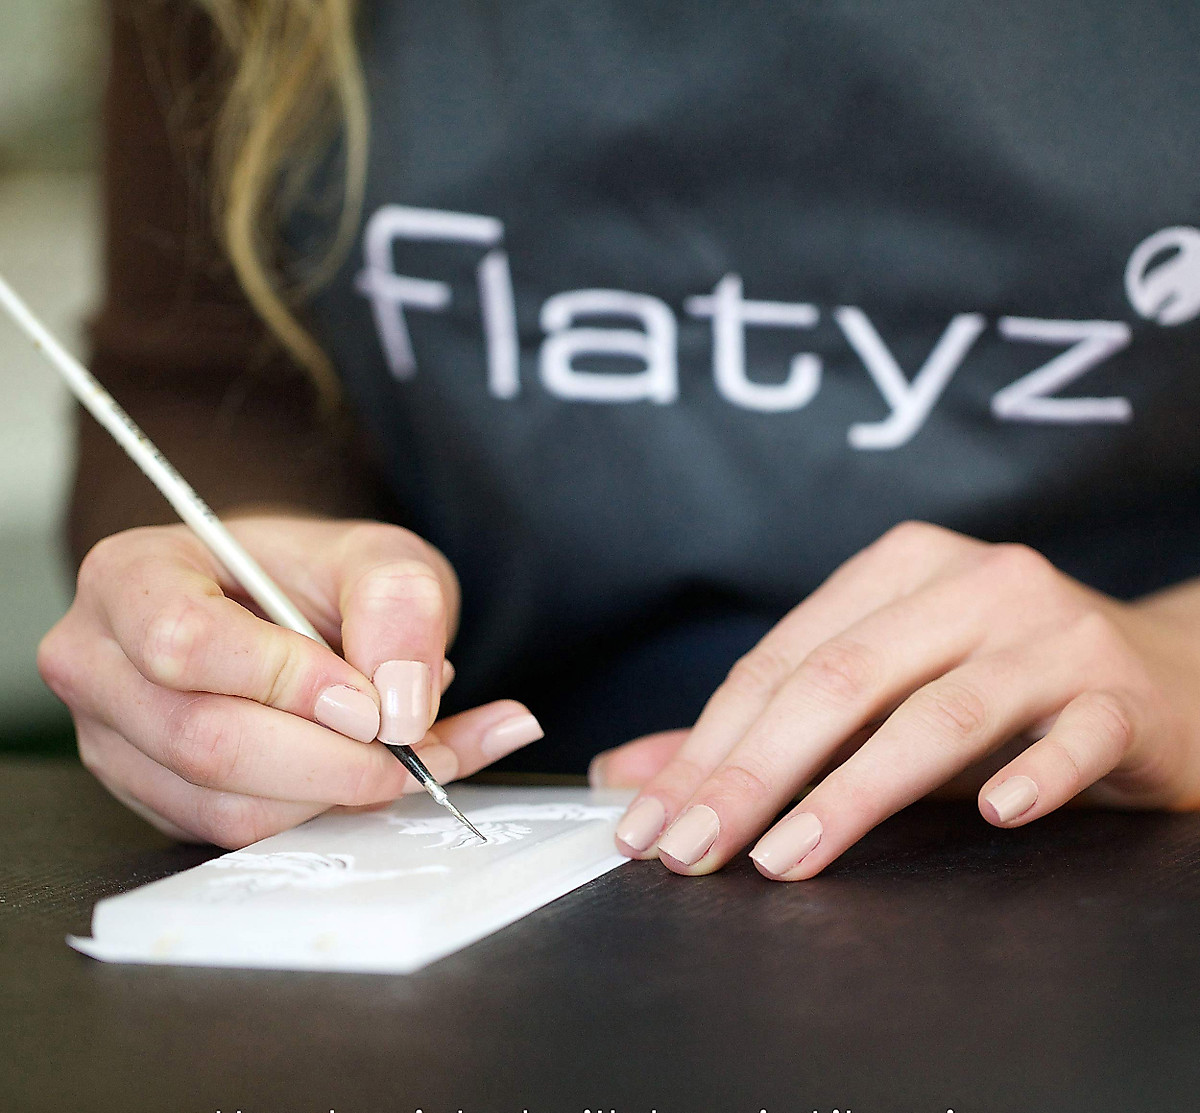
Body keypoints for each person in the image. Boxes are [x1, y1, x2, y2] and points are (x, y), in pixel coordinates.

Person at [38, 0, 1200, 880]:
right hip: (461, 826)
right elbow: (205, 372)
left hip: (1110, 835)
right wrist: (232, 600)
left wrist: (1178, 656)